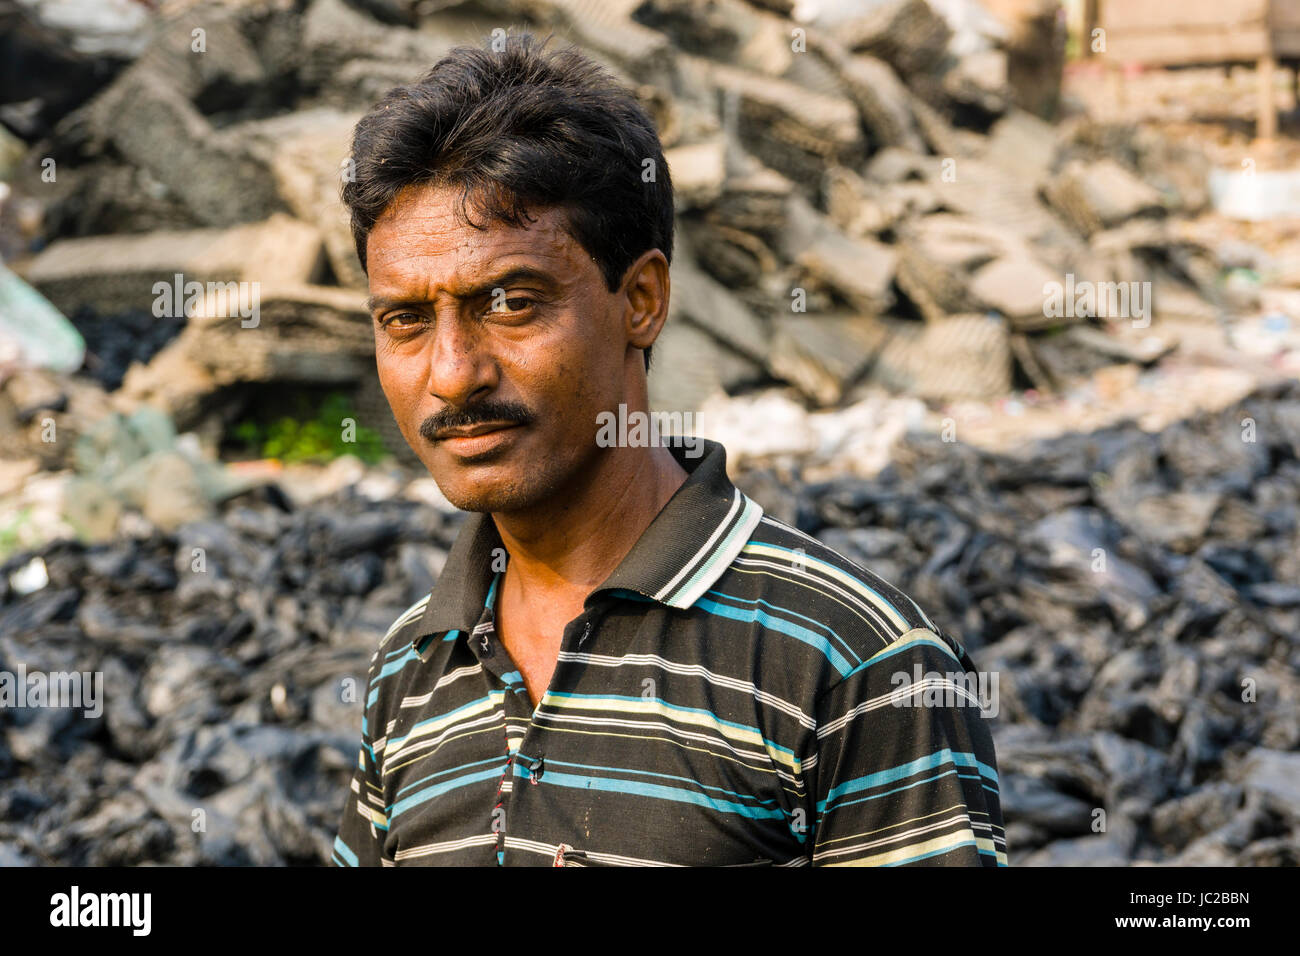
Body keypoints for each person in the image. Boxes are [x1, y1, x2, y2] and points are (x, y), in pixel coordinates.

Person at [331, 32, 1005, 867]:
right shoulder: (410, 669)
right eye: (404, 320)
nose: (452, 373)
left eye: (510, 303)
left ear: (641, 300)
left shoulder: (853, 663)